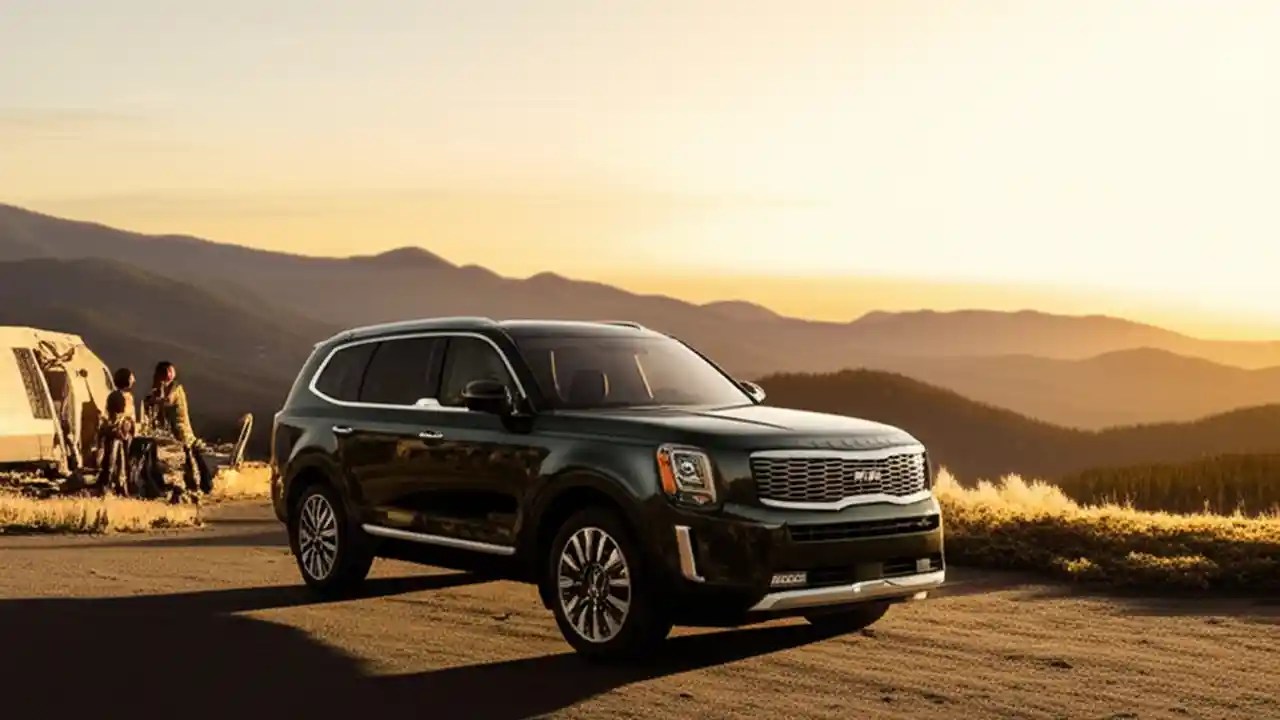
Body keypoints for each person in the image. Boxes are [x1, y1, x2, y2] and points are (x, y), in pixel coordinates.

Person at [147, 361, 214, 494]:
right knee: (190, 455)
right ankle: (200, 483)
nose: (171, 374)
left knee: (190, 455)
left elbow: (167, 401)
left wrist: (156, 396)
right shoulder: (167, 387)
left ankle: (199, 484)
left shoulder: (175, 388)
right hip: (175, 428)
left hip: (181, 427)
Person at [95, 369, 137, 495]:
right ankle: (107, 486)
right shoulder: (117, 396)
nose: (133, 380)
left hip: (124, 433)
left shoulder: (127, 397)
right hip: (116, 433)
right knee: (112, 460)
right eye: (131, 377)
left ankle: (121, 486)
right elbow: (118, 416)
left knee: (122, 461)